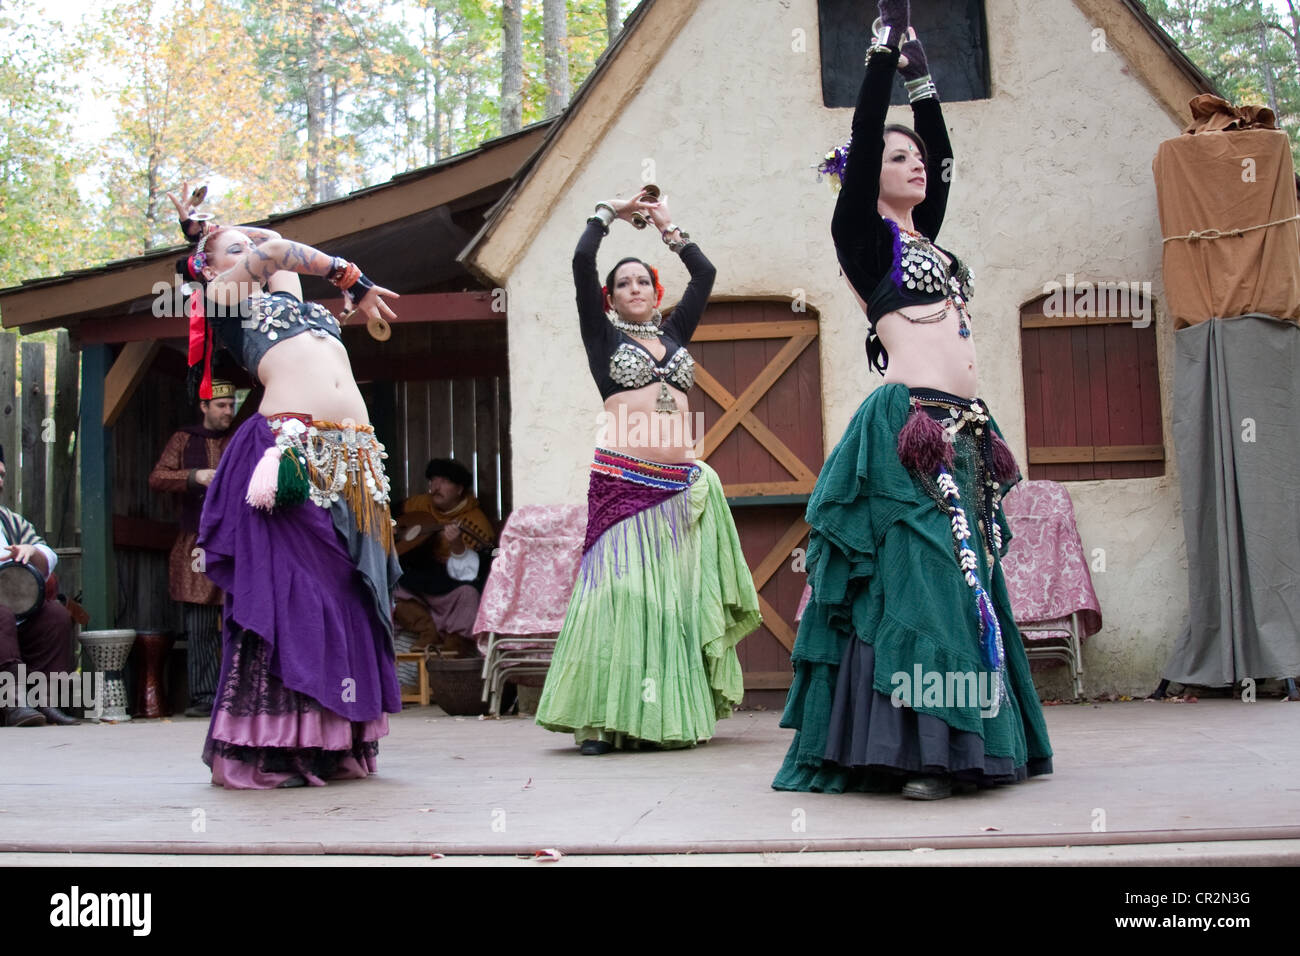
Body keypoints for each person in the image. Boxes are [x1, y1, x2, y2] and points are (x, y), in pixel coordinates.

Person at [773, 1, 1053, 799]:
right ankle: (919, 752)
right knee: (922, 578)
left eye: (918, 157)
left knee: (969, 578)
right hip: (908, 425)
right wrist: (880, 53)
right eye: (900, 158)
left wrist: (923, 72)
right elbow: (868, 142)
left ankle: (970, 744)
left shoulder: (930, 237)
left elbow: (949, 157)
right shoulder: (863, 240)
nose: (917, 164)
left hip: (965, 427)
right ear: (866, 172)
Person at [168, 184, 403, 788]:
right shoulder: (221, 297)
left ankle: (330, 742)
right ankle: (274, 744)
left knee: (350, 595)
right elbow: (276, 252)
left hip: (352, 456)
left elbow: (276, 248)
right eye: (232, 246)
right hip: (287, 449)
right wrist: (352, 277)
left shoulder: (291, 298)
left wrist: (220, 227)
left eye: (248, 239)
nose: (250, 245)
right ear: (208, 268)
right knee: (299, 595)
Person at [534, 188, 762, 755]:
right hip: (623, 476)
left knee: (669, 602)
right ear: (609, 300)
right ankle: (601, 720)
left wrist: (666, 225)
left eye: (642, 281)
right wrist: (607, 213)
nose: (633, 288)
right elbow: (581, 262)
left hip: (681, 484)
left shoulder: (675, 334)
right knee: (619, 597)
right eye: (623, 284)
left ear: (654, 292)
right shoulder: (602, 335)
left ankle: (657, 717)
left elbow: (704, 273)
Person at [148, 379, 236, 717]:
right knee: (200, 622)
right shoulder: (183, 440)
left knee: (238, 620)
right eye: (221, 405)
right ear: (204, 407)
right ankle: (203, 697)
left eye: (230, 405)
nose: (228, 411)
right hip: (195, 542)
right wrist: (195, 476)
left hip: (234, 542)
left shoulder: (237, 439)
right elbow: (157, 478)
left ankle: (236, 694)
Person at [0, 444, 79, 727]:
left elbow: (47, 552)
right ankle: (14, 700)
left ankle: (46, 701)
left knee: (55, 615)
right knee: (2, 615)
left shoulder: (7, 519)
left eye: (2, 474)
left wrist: (32, 553)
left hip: (15, 616)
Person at [393, 457, 495, 656]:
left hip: (447, 583)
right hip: (416, 577)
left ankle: (455, 644)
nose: (435, 487)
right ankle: (427, 629)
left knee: (469, 595)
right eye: (433, 480)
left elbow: (471, 573)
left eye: (445, 482)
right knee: (389, 584)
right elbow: (388, 515)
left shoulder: (476, 523)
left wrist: (457, 546)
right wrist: (393, 527)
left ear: (459, 489)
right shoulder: (419, 504)